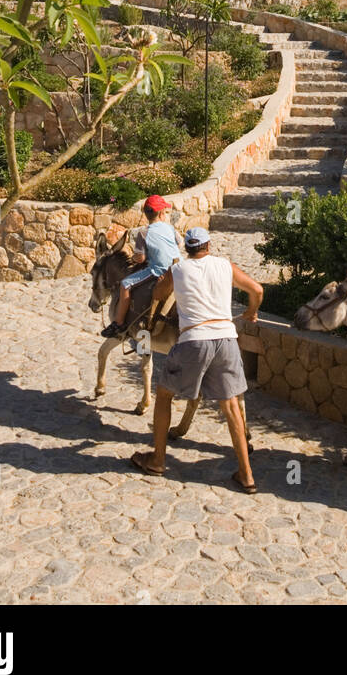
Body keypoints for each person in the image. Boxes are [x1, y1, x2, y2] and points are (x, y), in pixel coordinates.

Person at [130, 226, 263, 492]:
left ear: (187, 249)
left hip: (194, 340)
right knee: (231, 406)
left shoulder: (178, 270)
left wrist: (167, 281)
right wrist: (251, 311)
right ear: (209, 246)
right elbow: (257, 290)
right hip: (226, 339)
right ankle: (246, 474)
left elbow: (157, 294)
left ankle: (157, 459)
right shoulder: (225, 266)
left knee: (165, 394)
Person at [100, 194, 182, 338]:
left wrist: (133, 257)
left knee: (125, 284)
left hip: (159, 270)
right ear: (162, 213)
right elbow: (179, 244)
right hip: (179, 266)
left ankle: (119, 323)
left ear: (145, 214)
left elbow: (141, 257)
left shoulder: (144, 233)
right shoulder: (170, 228)